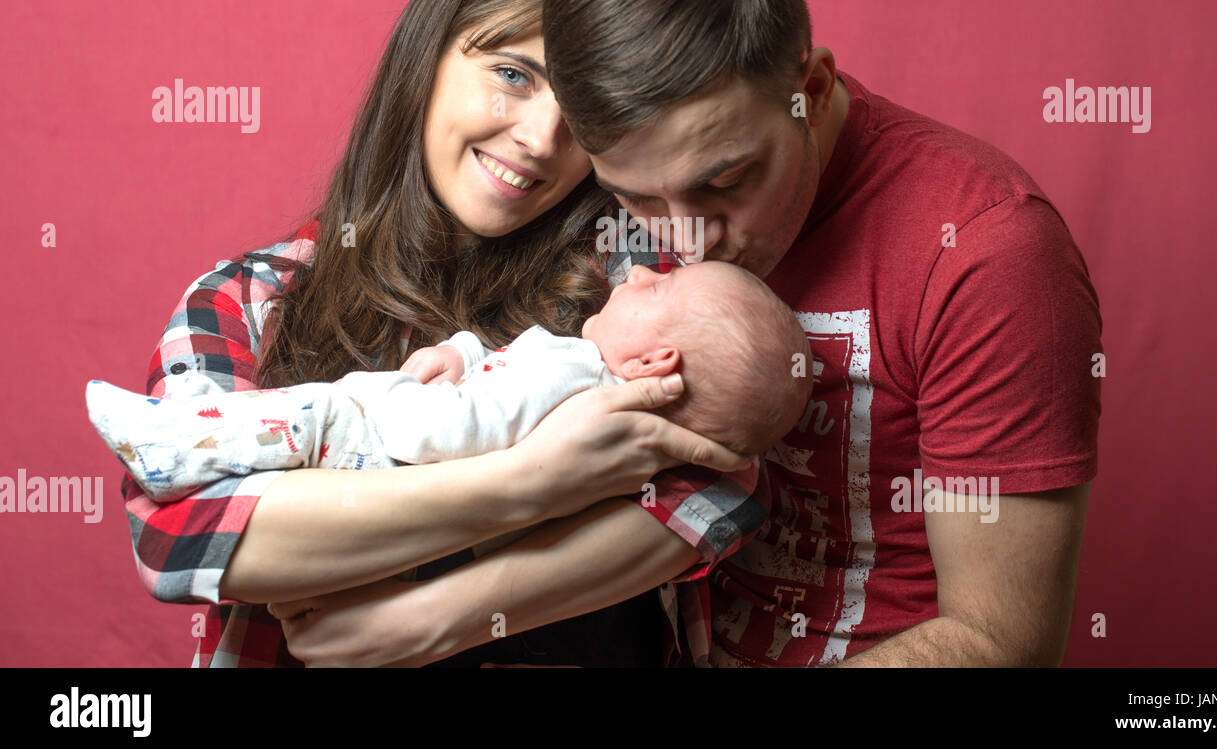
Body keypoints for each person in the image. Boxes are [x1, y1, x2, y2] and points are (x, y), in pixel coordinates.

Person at [267, 0, 1101, 668]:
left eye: (726, 181)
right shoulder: (620, 224)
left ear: (809, 90)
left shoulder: (986, 253)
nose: (684, 238)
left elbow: (999, 640)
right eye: (635, 195)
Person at [120, 0, 756, 668]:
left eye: (581, 115)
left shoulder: (631, 284)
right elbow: (185, 533)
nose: (541, 138)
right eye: (513, 75)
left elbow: (724, 490)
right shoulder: (249, 298)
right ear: (427, 56)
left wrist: (440, 617)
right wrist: (534, 480)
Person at [91, 260, 812, 500]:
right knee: (288, 423)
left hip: (391, 453)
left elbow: (464, 428)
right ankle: (181, 441)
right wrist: (465, 353)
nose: (642, 270)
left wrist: (387, 397)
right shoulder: (579, 370)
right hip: (400, 450)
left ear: (656, 366)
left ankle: (172, 446)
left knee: (302, 416)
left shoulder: (578, 379)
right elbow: (506, 379)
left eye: (659, 291)